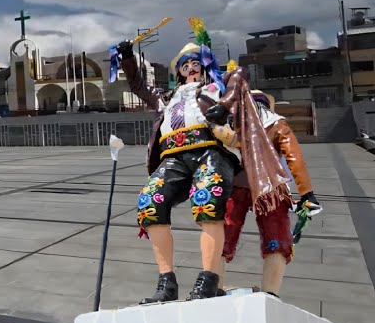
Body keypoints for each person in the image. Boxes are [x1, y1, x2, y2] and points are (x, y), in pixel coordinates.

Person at [117, 33, 291, 304]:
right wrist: (128, 58)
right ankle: (166, 281)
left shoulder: (216, 88)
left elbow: (240, 76)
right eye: (184, 67)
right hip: (174, 155)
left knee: (208, 204)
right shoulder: (168, 97)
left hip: (211, 150)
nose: (190, 70)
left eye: (195, 65)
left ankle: (208, 280)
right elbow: (139, 86)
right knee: (150, 203)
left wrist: (223, 106)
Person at [221, 91, 323, 296]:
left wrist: (307, 193)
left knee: (226, 232)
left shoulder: (239, 126)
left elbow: (293, 158)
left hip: (248, 183)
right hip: (267, 184)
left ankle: (214, 283)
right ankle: (270, 292)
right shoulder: (274, 124)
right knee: (273, 234)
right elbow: (294, 158)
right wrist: (306, 192)